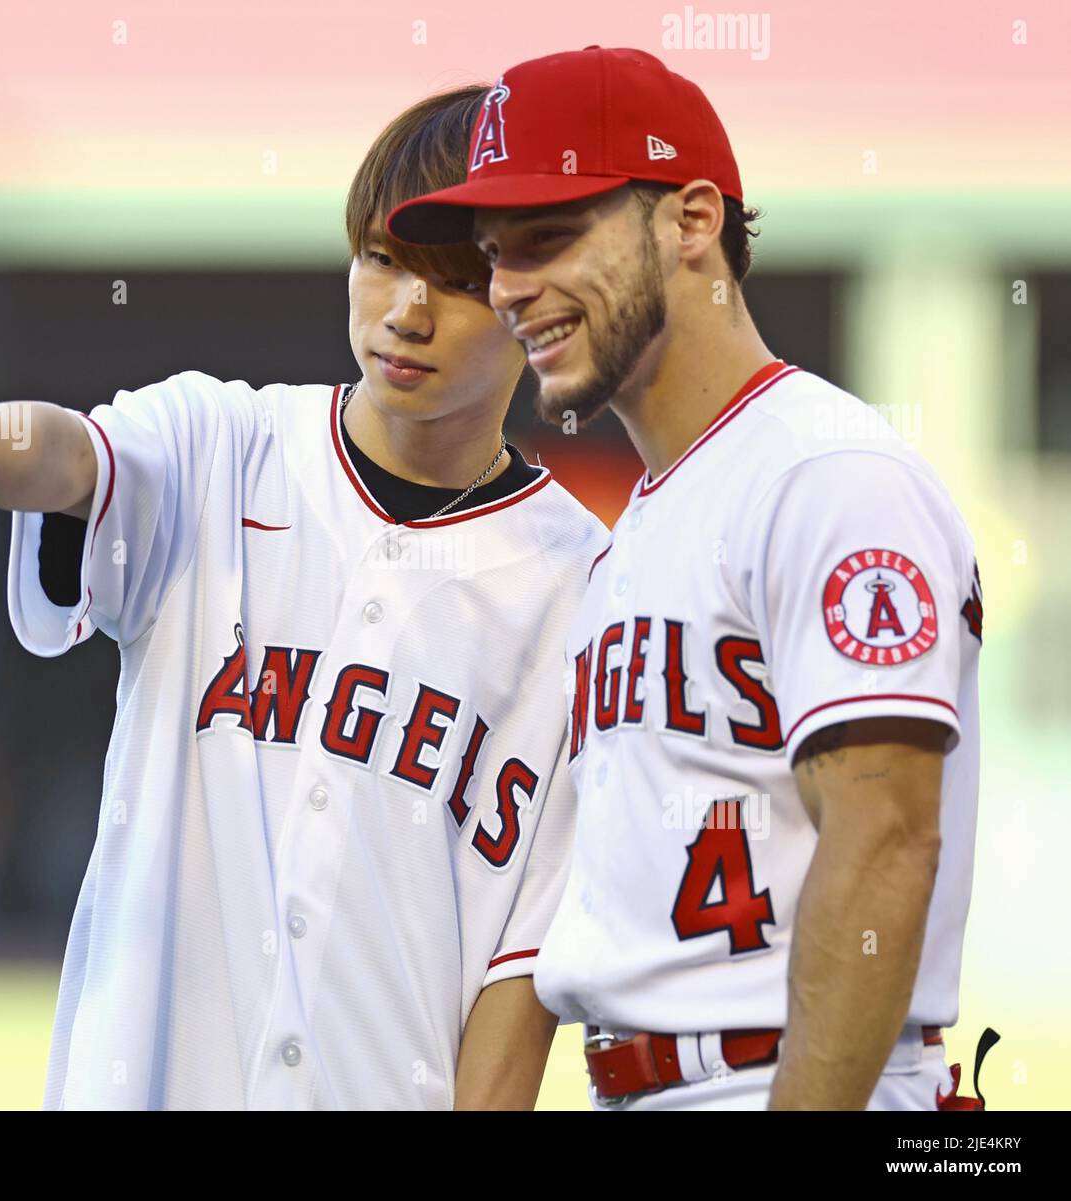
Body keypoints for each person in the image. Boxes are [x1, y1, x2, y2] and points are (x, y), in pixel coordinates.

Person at [0, 85, 609, 1110]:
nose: (405, 310)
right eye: (381, 258)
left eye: (457, 281)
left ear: (531, 298)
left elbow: (518, 997)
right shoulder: (220, 443)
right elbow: (70, 456)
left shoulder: (586, 588)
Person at [389, 46, 983, 1111]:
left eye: (550, 235)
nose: (509, 287)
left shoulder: (822, 473)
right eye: (493, 253)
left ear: (693, 220)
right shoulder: (642, 528)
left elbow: (887, 834)